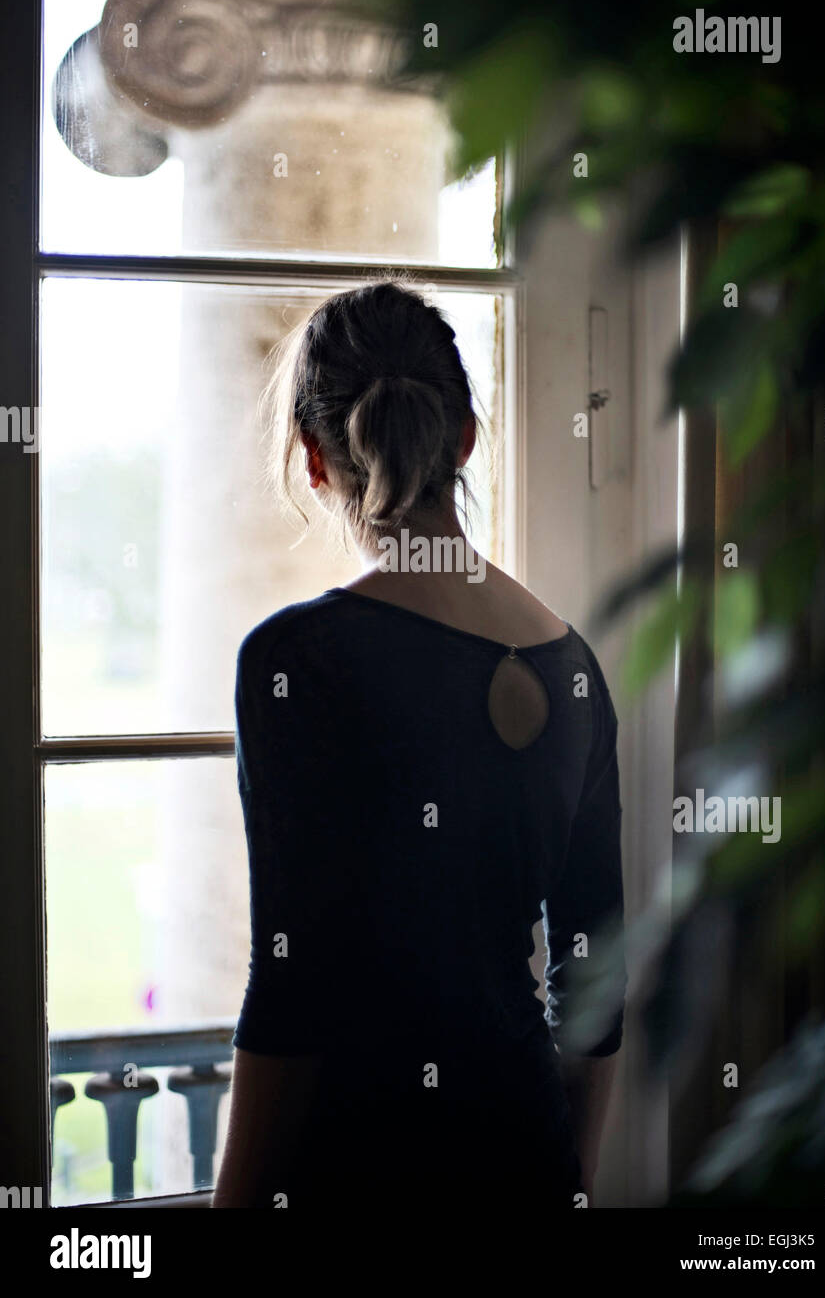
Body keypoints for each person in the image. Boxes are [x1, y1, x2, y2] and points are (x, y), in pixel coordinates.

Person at [212, 282, 626, 1220]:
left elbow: (290, 981)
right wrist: (569, 1183)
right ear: (466, 440)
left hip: (358, 1164)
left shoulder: (297, 659)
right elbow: (594, 976)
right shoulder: (572, 665)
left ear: (315, 461)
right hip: (523, 1149)